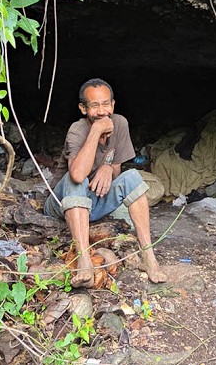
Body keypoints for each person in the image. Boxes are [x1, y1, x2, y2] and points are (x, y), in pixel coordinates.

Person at [49, 79, 166, 286]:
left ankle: (149, 257)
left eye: (106, 104)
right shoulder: (77, 130)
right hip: (62, 202)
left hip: (92, 202)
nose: (102, 111)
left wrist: (106, 167)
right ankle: (84, 259)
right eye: (94, 106)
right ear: (83, 109)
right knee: (76, 181)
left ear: (113, 104)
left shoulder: (120, 123)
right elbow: (76, 175)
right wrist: (95, 131)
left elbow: (115, 169)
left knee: (132, 177)